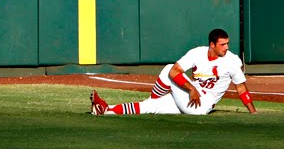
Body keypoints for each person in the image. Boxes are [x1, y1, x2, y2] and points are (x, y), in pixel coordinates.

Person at [90, 28, 258, 116]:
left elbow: (241, 88)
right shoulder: (197, 53)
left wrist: (253, 111)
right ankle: (106, 110)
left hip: (200, 106)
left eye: (227, 43)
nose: (226, 47)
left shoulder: (231, 61)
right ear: (212, 45)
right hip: (190, 96)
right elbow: (177, 71)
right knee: (150, 107)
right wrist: (191, 88)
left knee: (168, 69)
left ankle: (154, 97)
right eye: (223, 44)